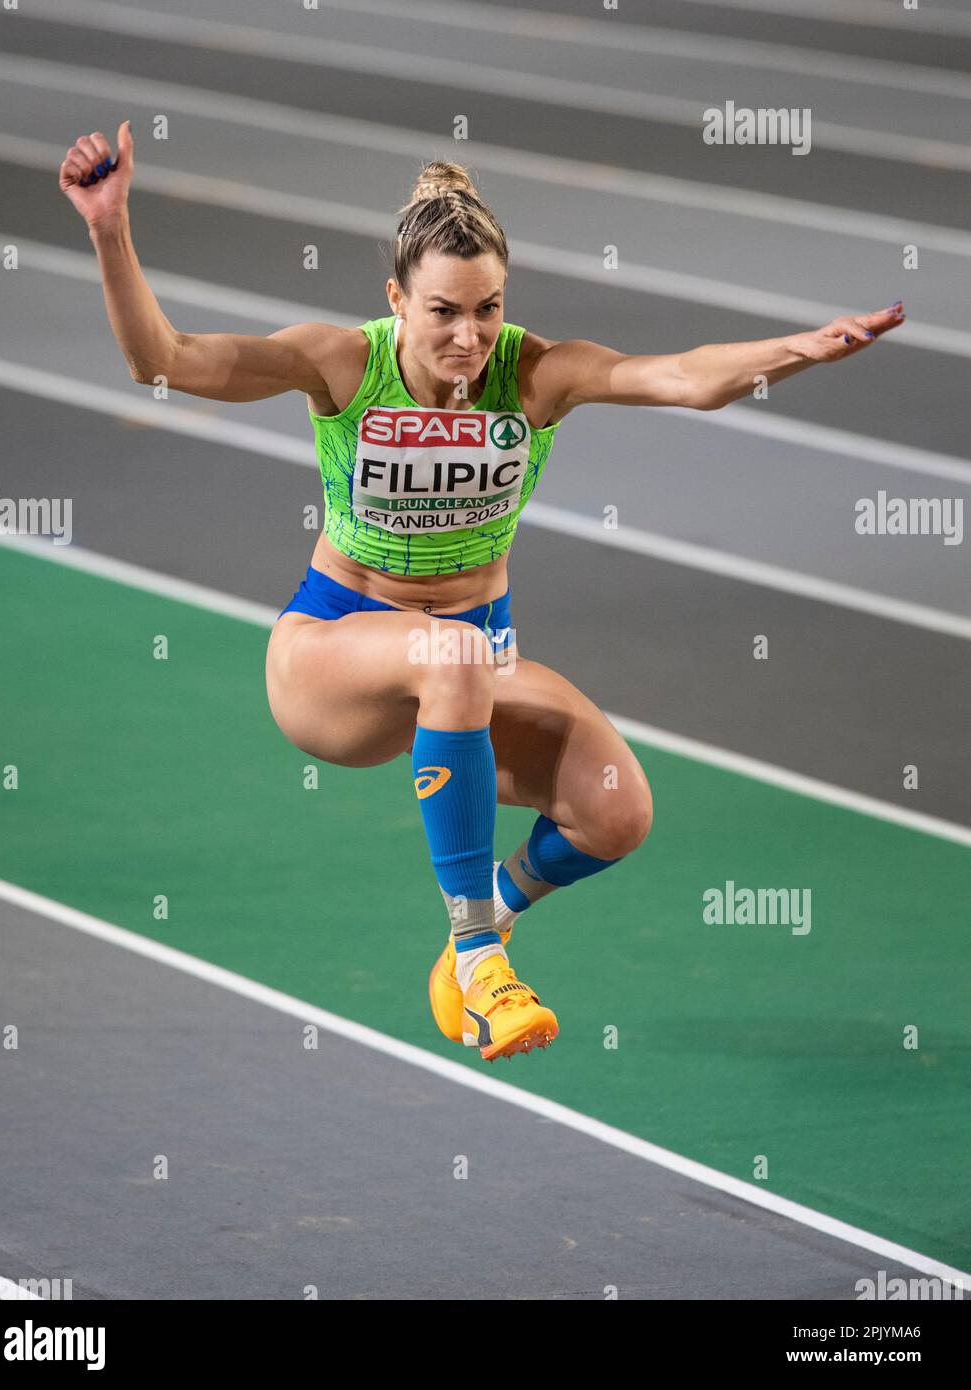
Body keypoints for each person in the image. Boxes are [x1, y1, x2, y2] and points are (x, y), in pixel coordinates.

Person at [61, 122, 906, 1063]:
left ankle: (488, 919)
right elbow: (163, 360)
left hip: (468, 667)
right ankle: (474, 956)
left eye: (488, 309)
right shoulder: (341, 363)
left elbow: (680, 377)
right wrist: (109, 225)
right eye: (443, 313)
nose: (469, 337)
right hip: (332, 657)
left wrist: (804, 346)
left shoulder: (536, 374)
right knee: (450, 652)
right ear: (396, 300)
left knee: (617, 809)